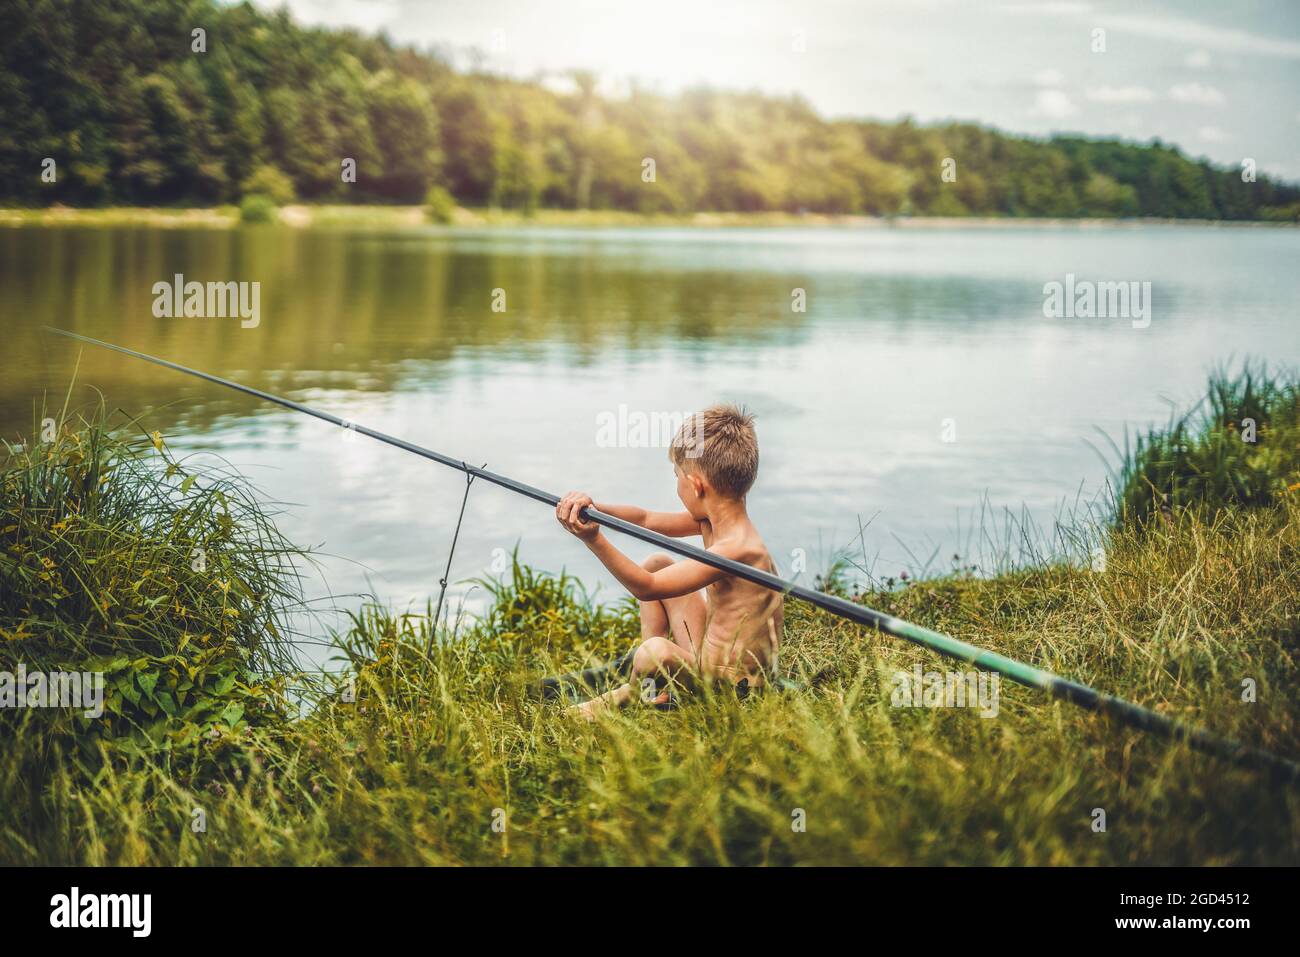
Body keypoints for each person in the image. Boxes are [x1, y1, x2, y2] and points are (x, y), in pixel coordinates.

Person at [555, 404, 783, 719]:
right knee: (657, 563)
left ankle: (629, 694)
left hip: (731, 689)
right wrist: (594, 510)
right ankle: (653, 683)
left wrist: (593, 539)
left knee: (654, 650)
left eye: (676, 475)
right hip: (705, 659)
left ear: (695, 485)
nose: (675, 484)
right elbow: (646, 518)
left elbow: (646, 588)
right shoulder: (713, 520)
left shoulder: (739, 549)